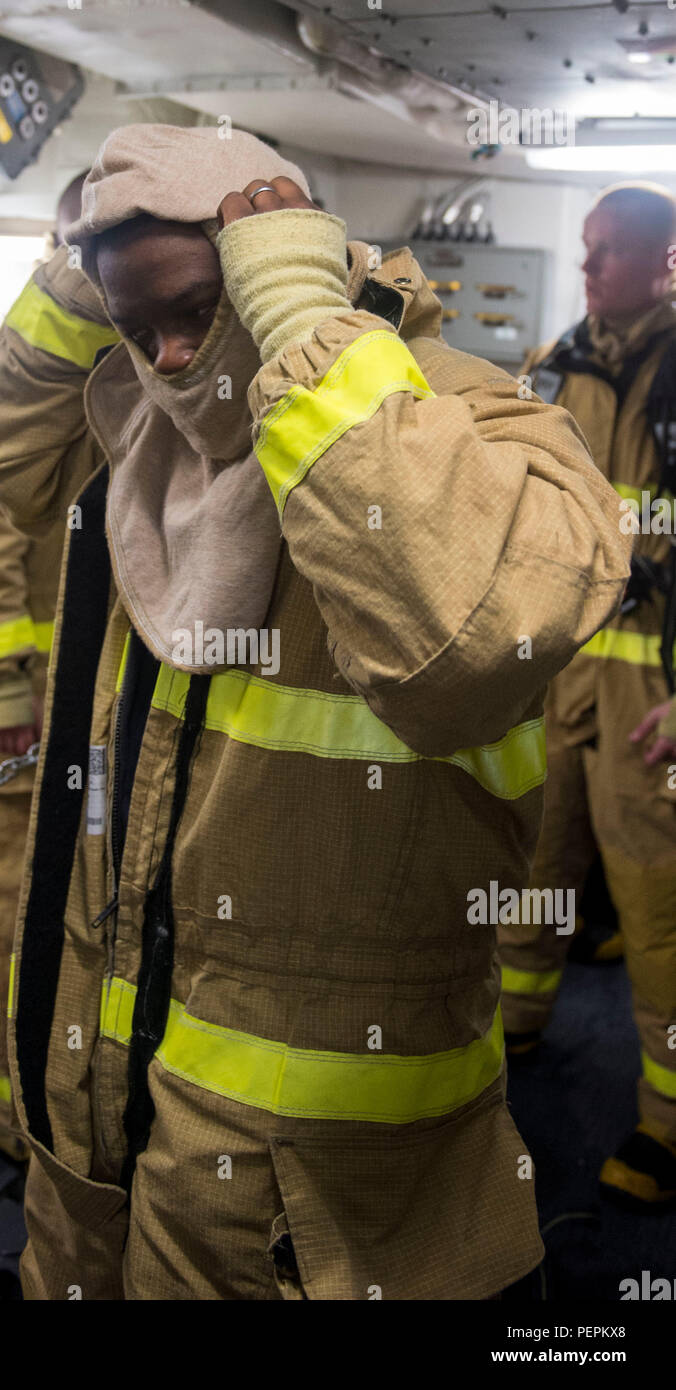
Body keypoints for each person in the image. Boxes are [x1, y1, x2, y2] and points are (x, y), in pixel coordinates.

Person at [0, 123, 629, 1298]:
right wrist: (82, 266)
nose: (168, 357)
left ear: (292, 263)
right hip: (114, 1082)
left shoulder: (474, 415)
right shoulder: (142, 433)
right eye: (135, 324)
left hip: (311, 1166)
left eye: (198, 307)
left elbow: (461, 639)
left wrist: (303, 327)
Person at [0, 173, 118, 1160]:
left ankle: (75, 1103)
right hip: (13, 695)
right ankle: (13, 1120)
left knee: (90, 902)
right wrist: (6, 686)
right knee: (9, 906)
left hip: (91, 696)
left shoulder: (129, 369)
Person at [498, 182, 676, 1205]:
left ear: (664, 261)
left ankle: (669, 1124)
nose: (589, 264)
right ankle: (517, 1020)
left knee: (655, 904)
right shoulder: (553, 372)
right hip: (557, 665)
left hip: (656, 678)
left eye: (611, 250)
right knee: (535, 855)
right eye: (585, 247)